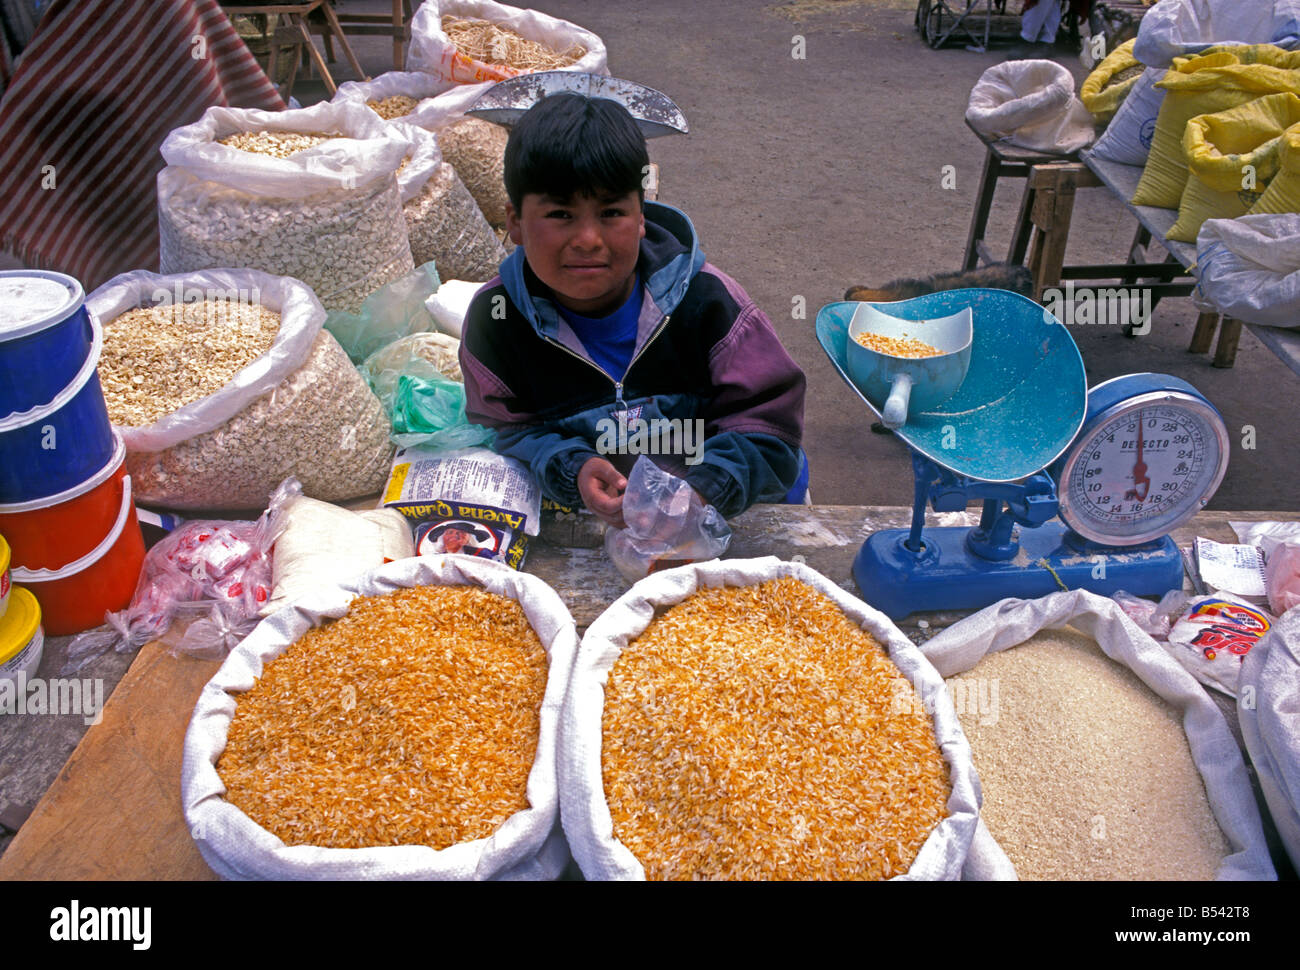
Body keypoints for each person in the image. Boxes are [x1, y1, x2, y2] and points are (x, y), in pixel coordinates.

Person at [459, 92, 806, 529]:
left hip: (733, 516)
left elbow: (770, 428)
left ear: (642, 216)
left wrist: (703, 490)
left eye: (611, 212)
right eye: (561, 214)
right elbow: (511, 431)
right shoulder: (497, 324)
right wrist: (574, 468)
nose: (587, 238)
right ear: (514, 222)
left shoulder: (709, 304)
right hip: (602, 527)